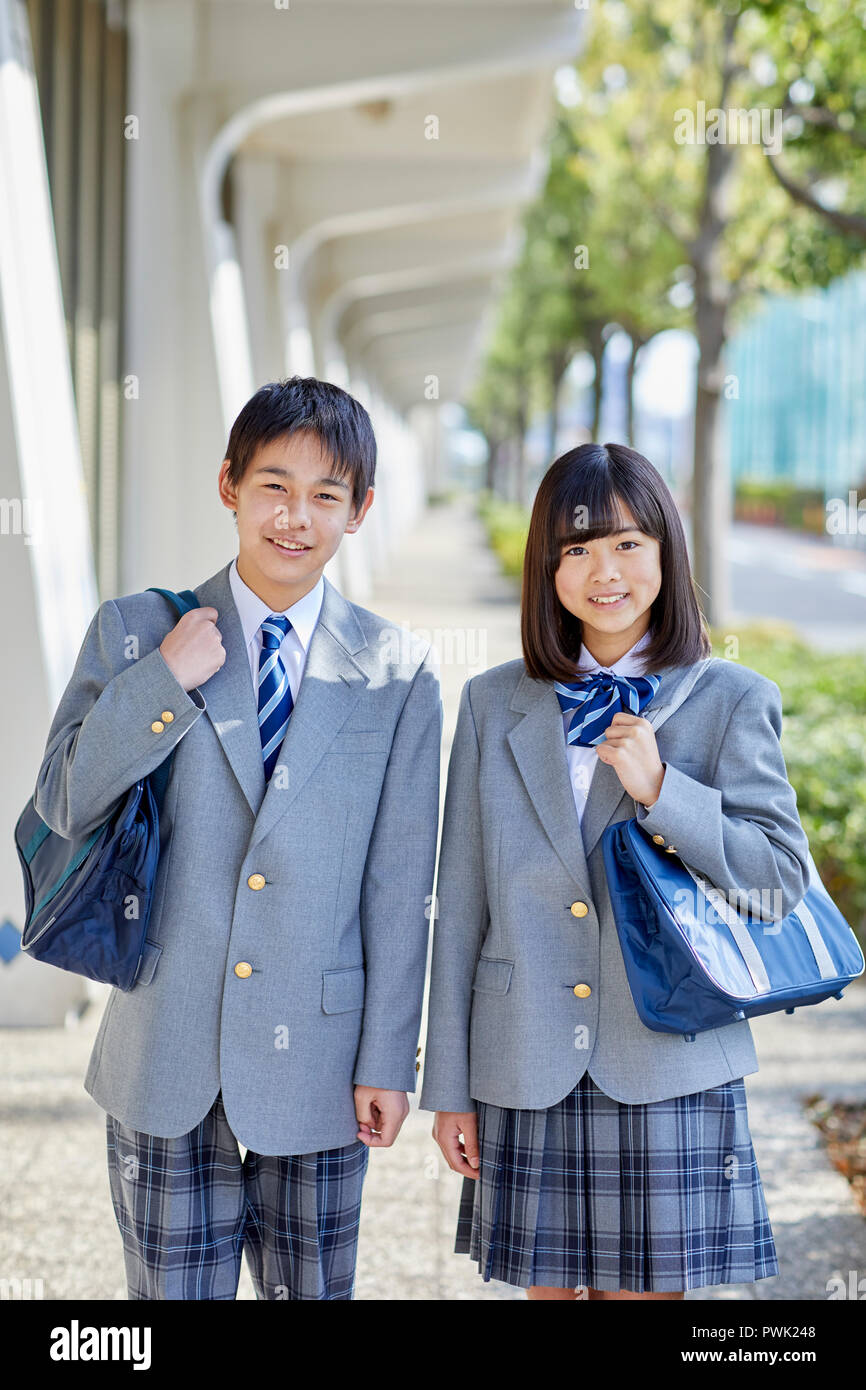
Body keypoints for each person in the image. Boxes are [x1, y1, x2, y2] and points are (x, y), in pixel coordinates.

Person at [34, 376, 442, 1300]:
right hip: (165, 1048)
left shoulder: (398, 669)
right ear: (229, 485)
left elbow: (399, 886)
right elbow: (65, 799)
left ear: (360, 510)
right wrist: (162, 687)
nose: (295, 516)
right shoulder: (140, 631)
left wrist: (388, 1056)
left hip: (325, 1069)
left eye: (325, 495)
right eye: (274, 486)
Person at [419, 442, 811, 1301]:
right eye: (578, 547)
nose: (606, 570)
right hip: (524, 1062)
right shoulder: (494, 702)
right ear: (548, 568)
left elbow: (777, 881)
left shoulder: (728, 698)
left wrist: (666, 792)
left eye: (630, 543)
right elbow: (463, 906)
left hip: (666, 1058)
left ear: (667, 552)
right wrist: (448, 1087)